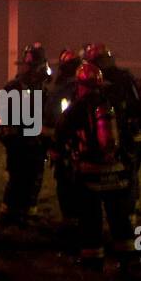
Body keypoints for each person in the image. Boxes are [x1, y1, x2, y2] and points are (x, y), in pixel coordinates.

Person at [54, 62, 141, 275]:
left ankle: (93, 262)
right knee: (120, 218)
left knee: (90, 218)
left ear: (81, 85)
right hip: (118, 173)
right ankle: (129, 260)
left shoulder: (77, 107)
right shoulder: (114, 104)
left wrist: (60, 154)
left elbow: (60, 134)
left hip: (90, 174)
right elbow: (129, 134)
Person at [88, 45, 141, 214]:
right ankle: (130, 210)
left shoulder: (102, 82)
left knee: (123, 174)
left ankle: (125, 210)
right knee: (129, 174)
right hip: (131, 135)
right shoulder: (125, 77)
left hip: (121, 134)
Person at [0, 43, 50, 227]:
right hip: (18, 142)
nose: (35, 70)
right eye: (33, 66)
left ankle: (26, 213)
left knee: (34, 177)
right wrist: (8, 130)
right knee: (18, 178)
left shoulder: (42, 89)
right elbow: (1, 112)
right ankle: (8, 215)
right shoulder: (13, 88)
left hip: (37, 141)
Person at [43, 47, 84, 234]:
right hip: (79, 146)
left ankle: (71, 223)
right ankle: (78, 222)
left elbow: (51, 118)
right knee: (77, 185)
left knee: (67, 184)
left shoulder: (61, 89)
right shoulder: (83, 87)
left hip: (65, 145)